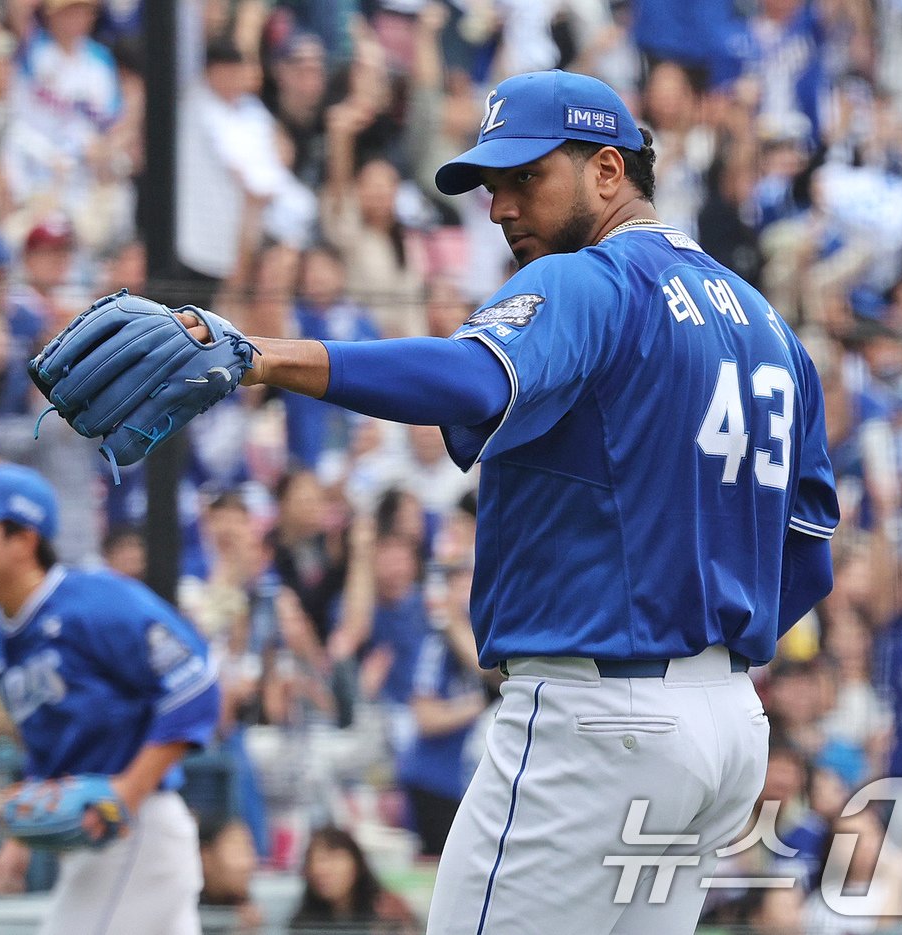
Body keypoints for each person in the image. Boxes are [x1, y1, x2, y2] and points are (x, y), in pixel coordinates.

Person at [161, 69, 838, 933]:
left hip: (598, 716)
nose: (500, 207)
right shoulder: (769, 326)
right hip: (727, 726)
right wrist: (693, 649)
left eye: (526, 178)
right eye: (492, 185)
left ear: (607, 170)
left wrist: (263, 355)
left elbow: (470, 374)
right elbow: (808, 558)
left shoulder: (590, 281)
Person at [0, 463, 219, 935]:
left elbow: (196, 682)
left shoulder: (97, 602)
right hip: (99, 846)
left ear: (24, 541)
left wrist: (128, 791)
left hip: (138, 833)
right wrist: (20, 842)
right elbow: (50, 742)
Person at [288, 824, 418, 934]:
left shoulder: (388, 911)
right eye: (315, 861)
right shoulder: (304, 922)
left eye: (332, 859)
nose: (322, 871)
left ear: (356, 864)